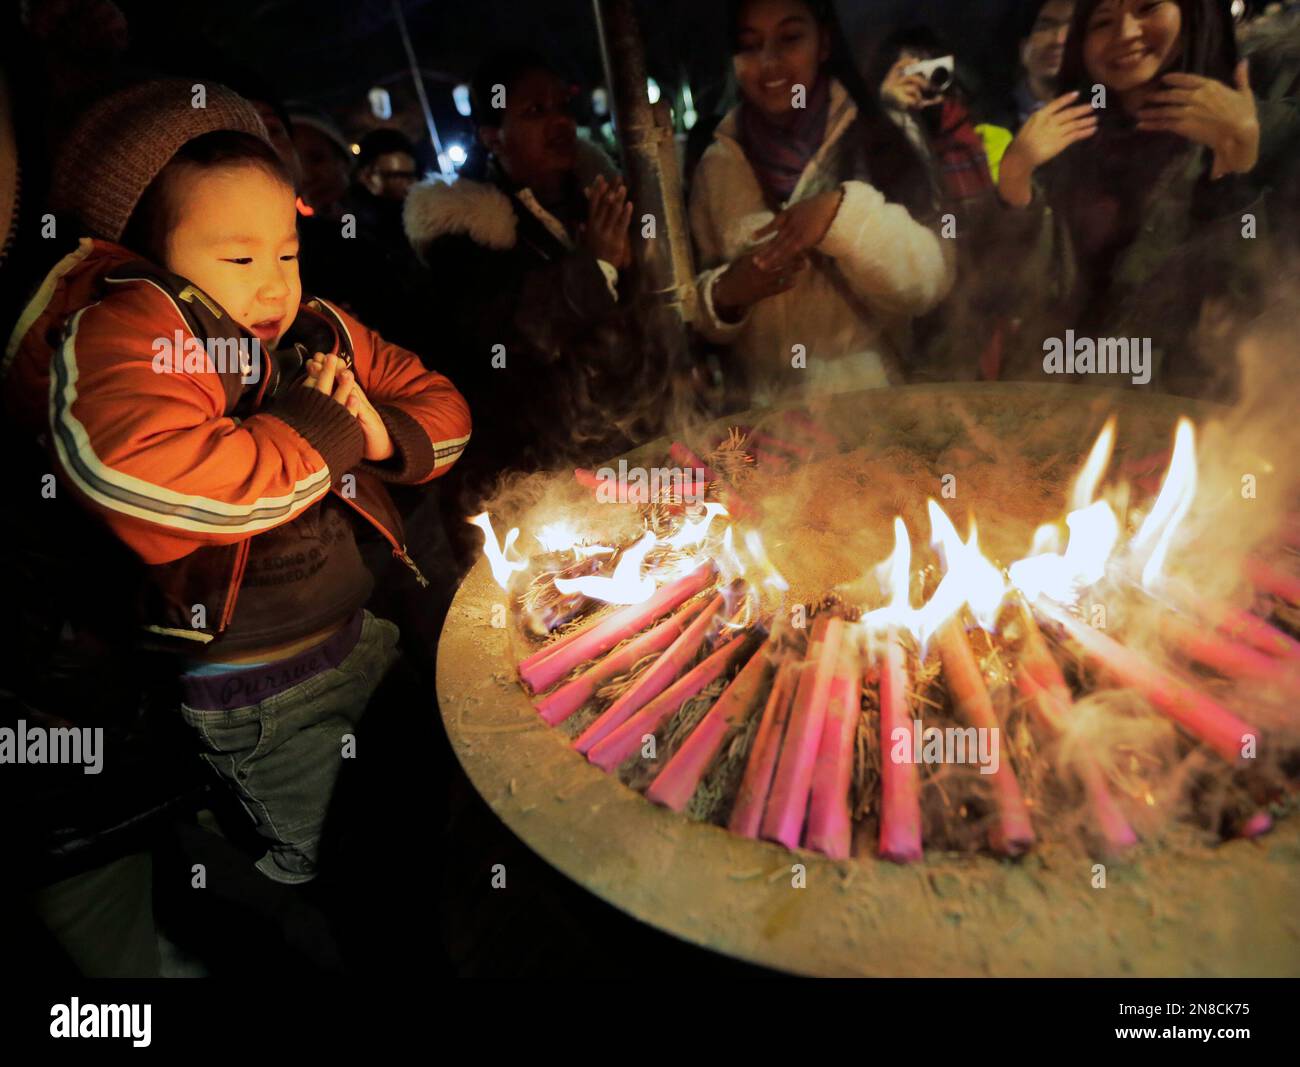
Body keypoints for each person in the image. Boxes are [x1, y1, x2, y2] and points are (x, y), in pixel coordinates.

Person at [4, 79, 471, 885]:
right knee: (339, 870)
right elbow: (141, 474)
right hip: (258, 696)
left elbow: (442, 404)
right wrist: (317, 437)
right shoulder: (125, 331)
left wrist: (379, 431)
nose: (274, 285)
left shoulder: (313, 329)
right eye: (240, 258)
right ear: (151, 258)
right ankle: (227, 878)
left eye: (286, 252)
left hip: (364, 635)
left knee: (432, 824)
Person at [405, 48, 661, 569]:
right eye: (534, 112)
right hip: (520, 475)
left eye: (561, 107)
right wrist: (597, 270)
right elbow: (505, 334)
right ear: (491, 136)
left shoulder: (602, 197)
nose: (559, 122)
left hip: (612, 446)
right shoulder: (463, 233)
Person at [993, 0, 1274, 398]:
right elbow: (1010, 288)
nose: (1124, 33)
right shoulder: (1067, 137)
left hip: (1188, 418)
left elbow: (1253, 304)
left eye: (1148, 7)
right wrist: (1016, 178)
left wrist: (1237, 170)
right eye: (1102, 21)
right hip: (1063, 401)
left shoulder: (1267, 130)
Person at [688, 0, 954, 405]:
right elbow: (694, 311)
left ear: (824, 42)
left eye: (790, 38)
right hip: (768, 428)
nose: (769, 61)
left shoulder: (884, 135)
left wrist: (842, 217)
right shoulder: (718, 165)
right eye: (749, 44)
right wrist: (726, 294)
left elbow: (929, 284)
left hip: (875, 417)